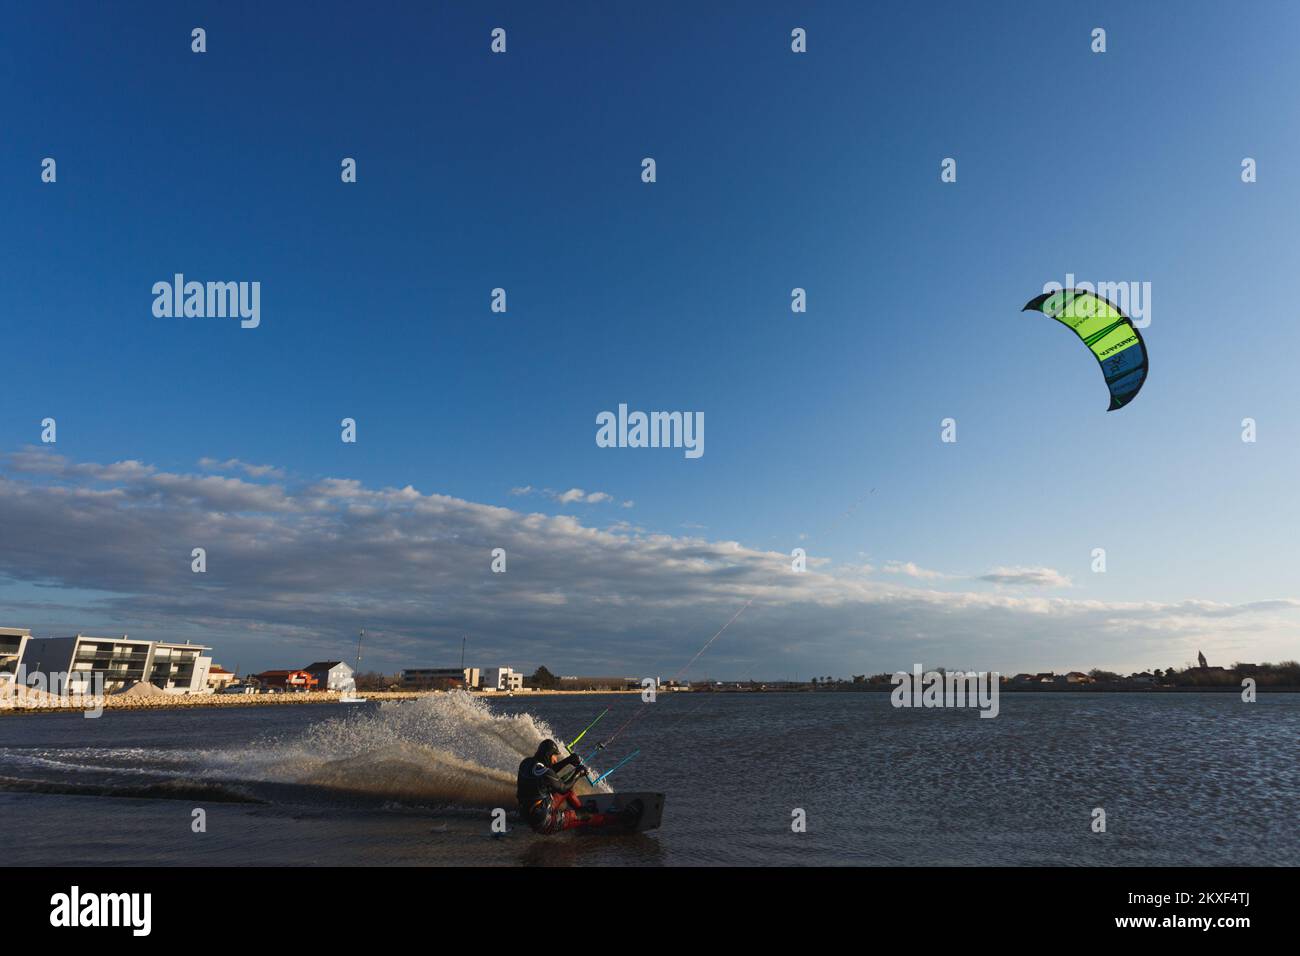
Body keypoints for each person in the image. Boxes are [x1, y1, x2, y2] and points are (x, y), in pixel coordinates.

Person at [516, 738, 619, 834]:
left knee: (567, 789)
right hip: (544, 821)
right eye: (554, 756)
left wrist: (568, 760)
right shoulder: (543, 771)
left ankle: (581, 810)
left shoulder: (526, 763)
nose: (556, 759)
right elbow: (562, 788)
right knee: (585, 816)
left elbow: (549, 773)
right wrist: (578, 774)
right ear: (548, 755)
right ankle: (620, 819)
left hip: (530, 814)